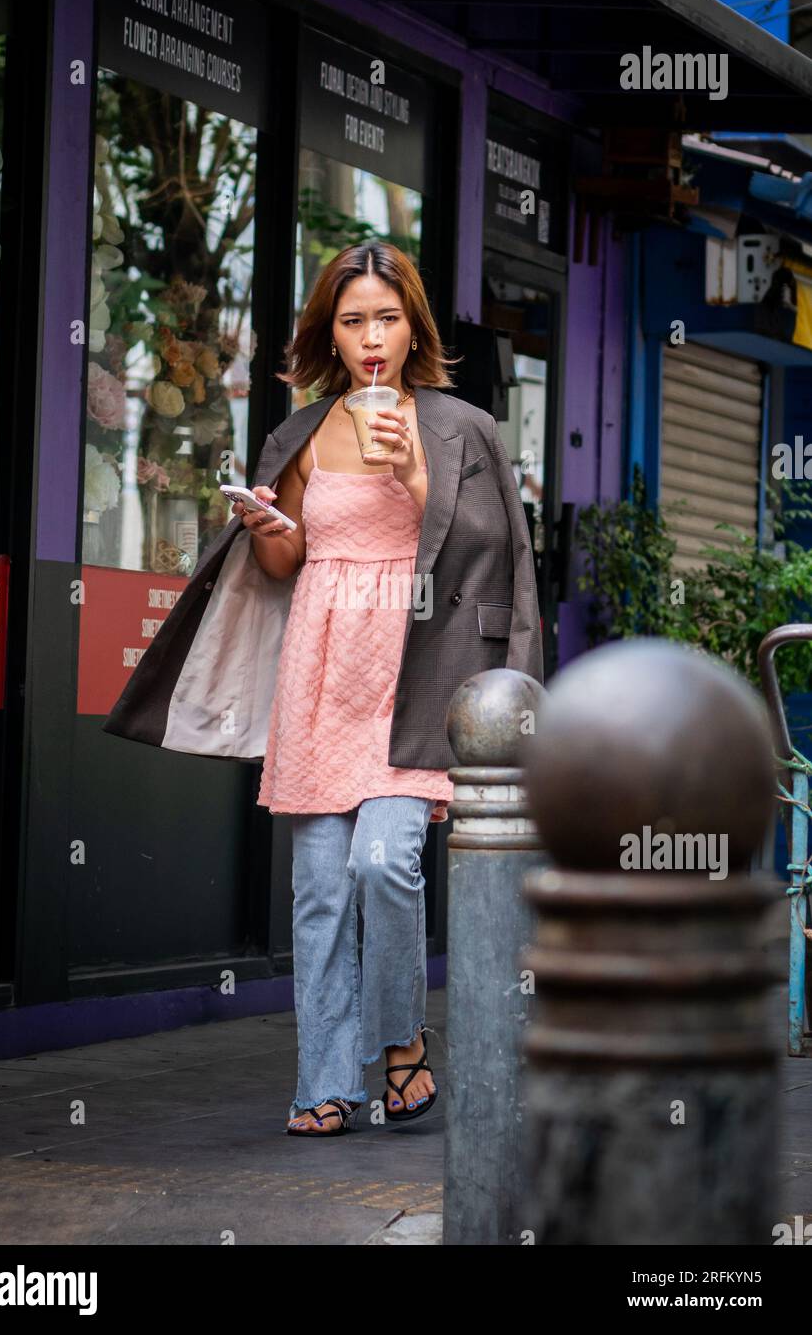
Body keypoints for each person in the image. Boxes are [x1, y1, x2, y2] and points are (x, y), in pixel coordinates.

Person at [226, 239, 544, 1135]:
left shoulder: (460, 427)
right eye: (352, 318)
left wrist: (411, 469)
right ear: (330, 330)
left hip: (420, 669)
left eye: (388, 318)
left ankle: (402, 1039)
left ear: (415, 328)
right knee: (321, 889)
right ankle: (324, 1084)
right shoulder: (298, 431)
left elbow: (494, 551)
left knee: (383, 861)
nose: (371, 337)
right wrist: (264, 524)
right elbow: (289, 558)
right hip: (323, 670)